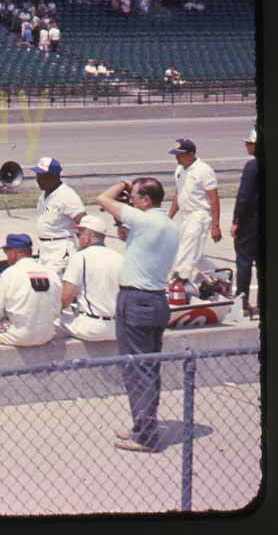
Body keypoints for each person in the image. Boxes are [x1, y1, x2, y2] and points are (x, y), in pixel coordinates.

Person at [96, 177, 180, 453]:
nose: (129, 199)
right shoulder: (167, 224)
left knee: (137, 369)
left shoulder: (145, 220)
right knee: (147, 367)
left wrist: (121, 183)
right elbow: (135, 243)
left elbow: (102, 199)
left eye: (133, 196)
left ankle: (146, 436)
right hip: (155, 299)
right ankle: (142, 424)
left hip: (137, 300)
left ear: (146, 199)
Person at [0, 233, 62, 347]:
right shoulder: (51, 273)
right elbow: (56, 310)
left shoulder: (9, 274)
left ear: (14, 253)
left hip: (21, 336)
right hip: (47, 335)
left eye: (7, 253)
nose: (7, 257)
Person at [55, 215, 122, 342]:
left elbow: (65, 300)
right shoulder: (119, 257)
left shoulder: (80, 257)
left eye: (79, 234)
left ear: (88, 236)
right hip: (118, 327)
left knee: (47, 326)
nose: (77, 238)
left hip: (92, 327)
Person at [167, 138, 222, 289]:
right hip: (185, 216)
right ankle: (216, 278)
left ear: (191, 154)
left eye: (180, 154)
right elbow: (178, 194)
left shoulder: (204, 170)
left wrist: (215, 226)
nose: (176, 157)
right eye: (176, 154)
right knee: (193, 253)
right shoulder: (179, 169)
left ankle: (179, 279)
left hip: (200, 215)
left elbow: (214, 199)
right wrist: (169, 217)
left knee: (187, 250)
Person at [31, 157, 86, 276]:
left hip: (61, 250)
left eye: (42, 176)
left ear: (54, 177)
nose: (38, 179)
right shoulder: (44, 195)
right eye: (37, 175)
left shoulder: (67, 195)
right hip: (45, 250)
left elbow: (84, 222)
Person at [232, 127, 259, 317]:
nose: (246, 146)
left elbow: (243, 197)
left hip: (250, 223)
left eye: (249, 143)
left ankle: (242, 301)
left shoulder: (252, 166)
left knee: (244, 262)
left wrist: (236, 220)